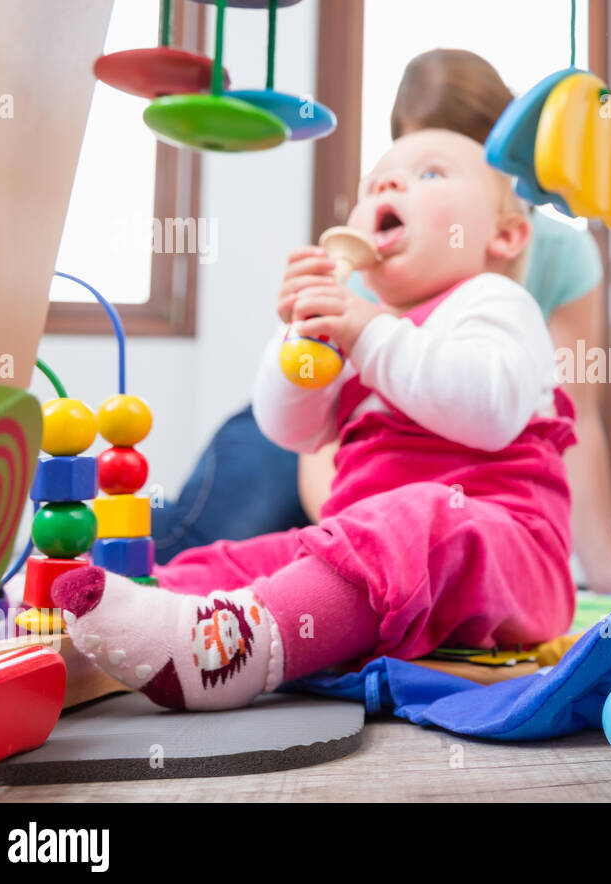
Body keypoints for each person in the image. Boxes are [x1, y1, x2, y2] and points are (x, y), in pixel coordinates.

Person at [52, 129, 578, 710]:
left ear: (504, 234)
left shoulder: (495, 301)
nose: (389, 182)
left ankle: (232, 653)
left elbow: (491, 410)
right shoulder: (360, 325)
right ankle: (142, 611)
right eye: (374, 180)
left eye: (429, 174)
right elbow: (289, 429)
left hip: (505, 558)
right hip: (371, 559)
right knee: (246, 558)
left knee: (416, 516)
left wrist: (365, 331)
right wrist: (300, 337)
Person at [153, 49, 611, 595]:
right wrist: (350, 548)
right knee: (199, 549)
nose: (397, 188)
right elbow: (313, 445)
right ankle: (106, 584)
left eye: (438, 169)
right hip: (328, 446)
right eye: (387, 174)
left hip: (418, 467)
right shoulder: (378, 260)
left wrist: (609, 575)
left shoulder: (546, 263)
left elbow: (573, 418)